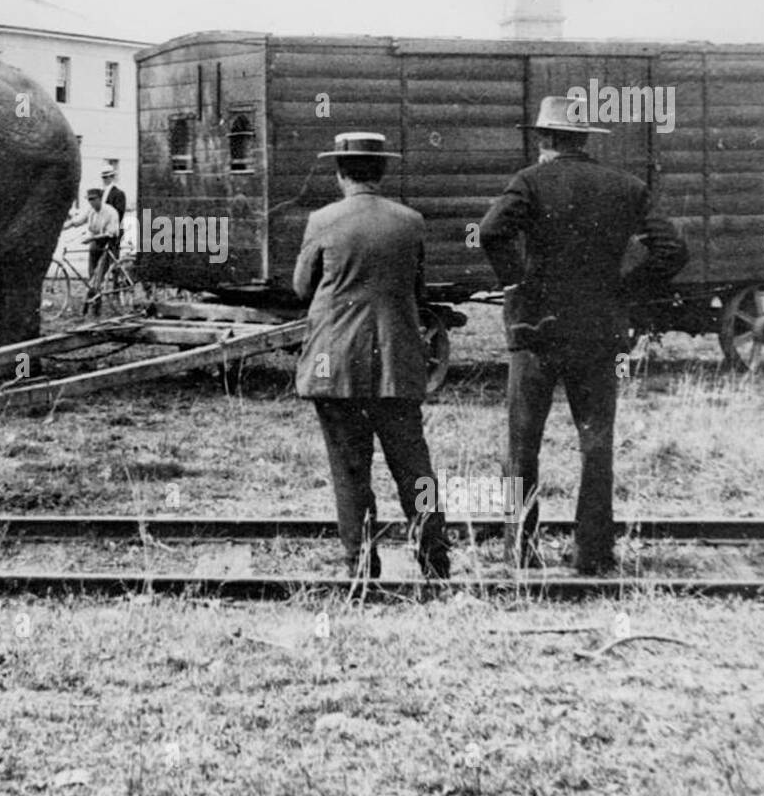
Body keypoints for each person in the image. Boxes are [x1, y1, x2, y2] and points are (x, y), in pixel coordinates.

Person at [479, 95, 689, 575]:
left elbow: (492, 232)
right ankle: (592, 554)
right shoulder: (627, 186)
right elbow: (673, 250)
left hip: (536, 331)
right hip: (598, 329)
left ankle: (519, 551)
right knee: (596, 442)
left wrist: (519, 284)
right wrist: (624, 289)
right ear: (586, 138)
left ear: (546, 140)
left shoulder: (530, 182)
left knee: (523, 443)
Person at [293, 132, 450, 581]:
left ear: (341, 174)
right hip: (397, 364)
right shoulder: (410, 221)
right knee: (414, 467)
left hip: (335, 365)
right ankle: (436, 560)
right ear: (381, 173)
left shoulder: (322, 219)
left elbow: (302, 289)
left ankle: (360, 568)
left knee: (349, 470)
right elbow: (418, 293)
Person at [68, 187, 121, 315]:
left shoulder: (110, 212)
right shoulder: (90, 211)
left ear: (100, 199)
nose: (91, 202)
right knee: (91, 274)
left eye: (93, 199)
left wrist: (92, 238)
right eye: (89, 200)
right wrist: (63, 227)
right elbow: (77, 221)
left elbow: (112, 232)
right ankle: (93, 304)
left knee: (98, 277)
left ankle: (93, 308)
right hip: (95, 243)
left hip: (109, 243)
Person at [101, 167, 126, 237]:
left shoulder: (119, 193)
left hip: (114, 230)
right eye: (103, 177)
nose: (104, 180)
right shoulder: (102, 193)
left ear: (112, 177)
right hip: (102, 230)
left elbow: (119, 214)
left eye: (106, 177)